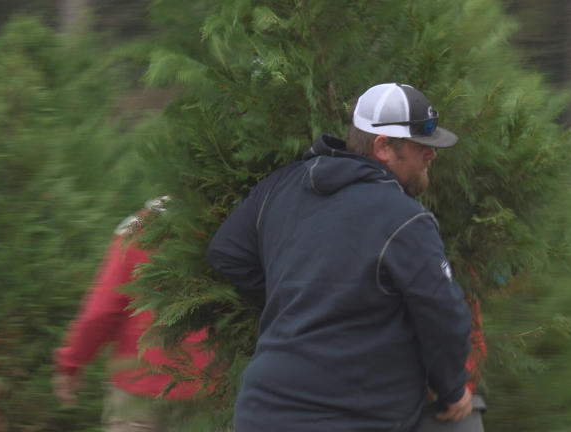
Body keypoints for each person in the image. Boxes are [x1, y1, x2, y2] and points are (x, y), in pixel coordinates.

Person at [207, 83, 473, 431]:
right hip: (354, 417)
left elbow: (226, 253)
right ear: (383, 148)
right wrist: (453, 390)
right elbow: (442, 317)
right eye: (421, 146)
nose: (431, 155)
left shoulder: (280, 186)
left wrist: (294, 296)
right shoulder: (406, 219)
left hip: (262, 412)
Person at [53, 196, 210, 431]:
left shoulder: (139, 226)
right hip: (206, 390)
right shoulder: (228, 226)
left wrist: (71, 363)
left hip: (138, 387)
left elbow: (101, 310)